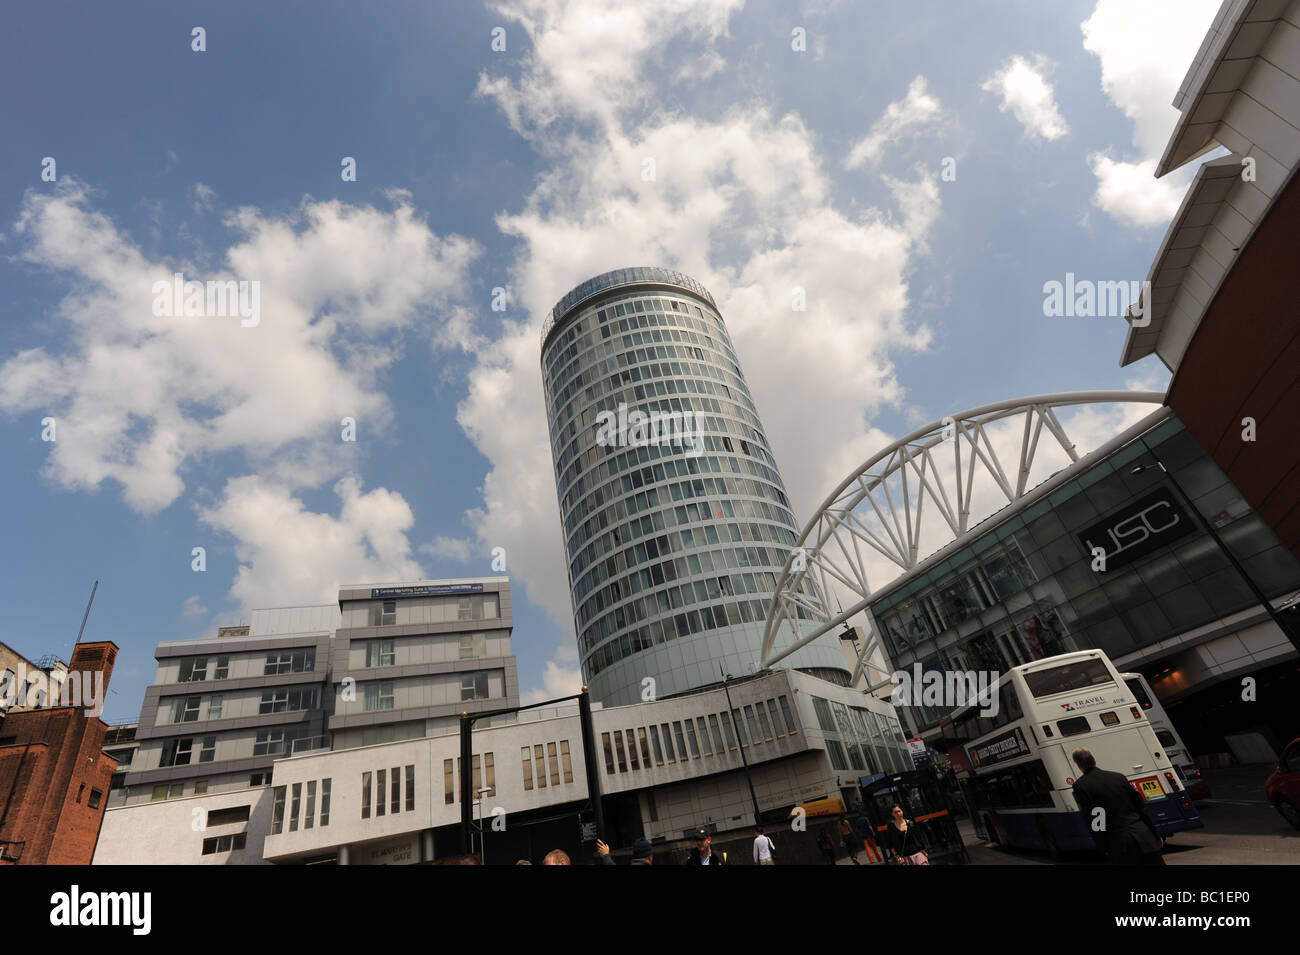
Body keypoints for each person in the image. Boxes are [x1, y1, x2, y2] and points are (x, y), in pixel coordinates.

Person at [1070, 746, 1166, 866]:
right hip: (1144, 836)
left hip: (1119, 843)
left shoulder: (1081, 786)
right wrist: (1155, 835)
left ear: (1078, 765)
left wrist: (1102, 847)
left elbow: (1095, 818)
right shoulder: (1118, 777)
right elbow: (1141, 807)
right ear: (1094, 760)